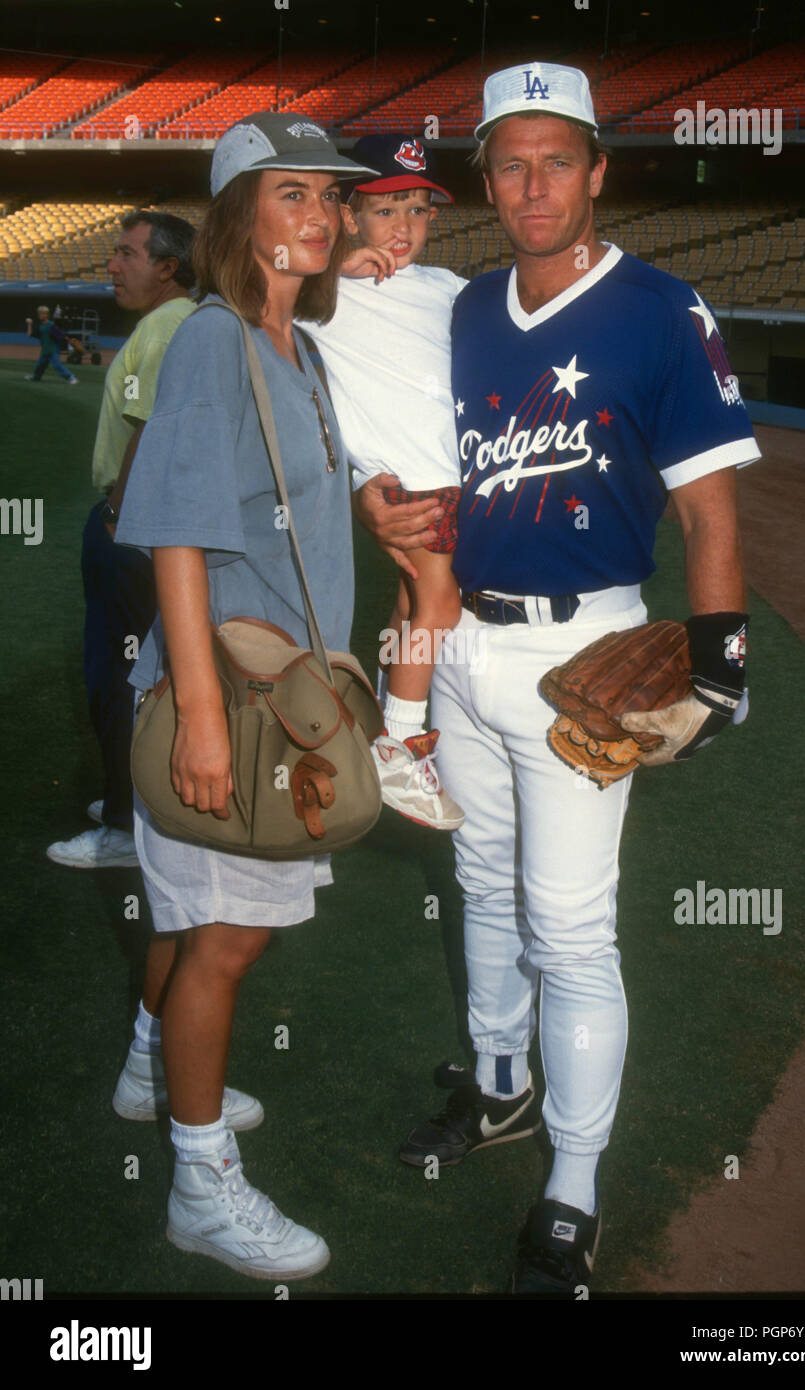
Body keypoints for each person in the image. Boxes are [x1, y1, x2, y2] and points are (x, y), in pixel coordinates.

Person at [355, 62, 758, 1294]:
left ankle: (573, 1184)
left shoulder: (659, 308)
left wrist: (721, 667)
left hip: (582, 648)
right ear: (486, 176)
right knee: (480, 878)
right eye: (509, 163)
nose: (533, 185)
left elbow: (709, 511)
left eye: (556, 160)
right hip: (460, 640)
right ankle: (497, 1085)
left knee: (571, 929)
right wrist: (381, 503)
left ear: (597, 170)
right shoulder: (463, 305)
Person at [112, 112, 378, 1281]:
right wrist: (205, 719)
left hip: (282, 691)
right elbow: (172, 534)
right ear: (236, 220)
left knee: (205, 924)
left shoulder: (296, 346)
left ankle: (146, 1059)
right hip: (227, 696)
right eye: (289, 196)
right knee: (225, 938)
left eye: (327, 196)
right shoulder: (217, 341)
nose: (318, 216)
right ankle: (199, 1183)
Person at [299, 133, 466, 831]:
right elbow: (238, 279)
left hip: (450, 475)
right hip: (406, 480)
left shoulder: (447, 287)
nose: (403, 228)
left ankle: (384, 730)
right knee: (440, 607)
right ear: (347, 215)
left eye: (418, 211)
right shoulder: (321, 290)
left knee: (408, 607)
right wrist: (331, 264)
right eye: (384, 210)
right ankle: (399, 744)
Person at [46, 212, 197, 869]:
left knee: (118, 678)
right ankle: (131, 802)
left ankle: (125, 826)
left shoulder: (168, 326)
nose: (112, 265)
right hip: (141, 525)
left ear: (167, 267)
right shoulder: (171, 322)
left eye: (126, 254)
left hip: (132, 527)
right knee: (133, 673)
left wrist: (116, 513)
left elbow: (149, 430)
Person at [24, 305, 78, 384]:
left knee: (57, 365)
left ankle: (71, 377)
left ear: (46, 315)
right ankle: (36, 377)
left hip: (53, 350)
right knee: (39, 366)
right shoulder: (40, 327)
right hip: (45, 350)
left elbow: (61, 334)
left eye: (42, 313)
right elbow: (29, 334)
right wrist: (29, 324)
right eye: (39, 314)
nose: (40, 315)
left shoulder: (51, 325)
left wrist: (70, 341)